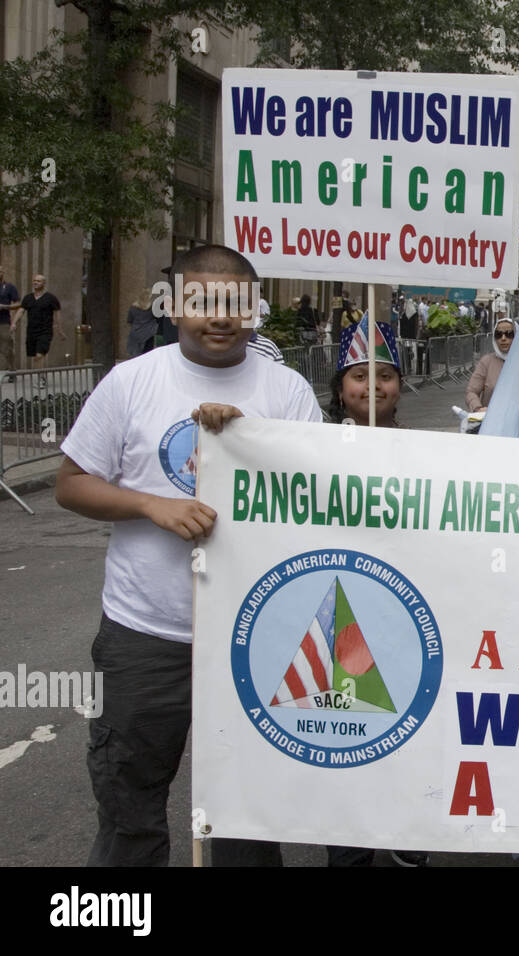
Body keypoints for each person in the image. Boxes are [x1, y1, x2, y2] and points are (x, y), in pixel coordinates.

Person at [54, 244, 322, 867]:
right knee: (129, 801)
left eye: (234, 303)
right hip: (147, 634)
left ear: (256, 309)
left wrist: (251, 444)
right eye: (201, 302)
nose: (219, 317)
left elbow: (317, 508)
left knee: (248, 810)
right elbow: (71, 483)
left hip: (257, 635)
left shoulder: (286, 392)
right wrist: (152, 506)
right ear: (175, 306)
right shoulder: (131, 382)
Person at [17, 274, 65, 370]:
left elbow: (57, 314)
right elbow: (21, 311)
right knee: (36, 357)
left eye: (38, 281)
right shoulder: (28, 298)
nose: (35, 282)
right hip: (31, 331)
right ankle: (40, 376)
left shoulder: (51, 298)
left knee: (39, 355)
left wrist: (60, 330)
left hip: (45, 331)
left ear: (44, 283)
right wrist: (14, 323)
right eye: (34, 280)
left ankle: (41, 379)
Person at [466, 317, 515, 412]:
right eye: (498, 335)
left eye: (509, 334)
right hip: (491, 421)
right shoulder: (486, 362)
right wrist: (478, 408)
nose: (503, 338)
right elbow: (471, 392)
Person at [126, 289, 159, 358]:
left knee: (136, 356)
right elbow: (157, 318)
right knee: (147, 355)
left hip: (136, 333)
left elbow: (129, 320)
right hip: (149, 334)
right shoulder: (152, 307)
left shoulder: (133, 307)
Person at [0, 266, 21, 370]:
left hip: (3, 322)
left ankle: (12, 370)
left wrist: (5, 306)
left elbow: (18, 303)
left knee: (6, 348)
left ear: (2, 273)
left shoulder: (9, 287)